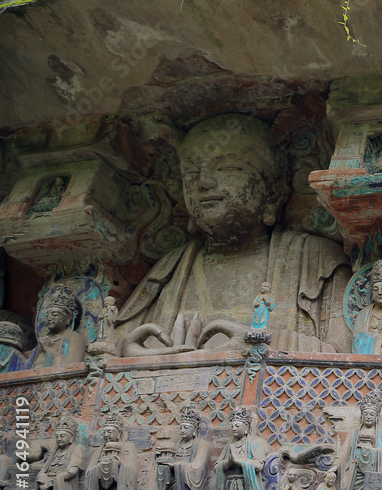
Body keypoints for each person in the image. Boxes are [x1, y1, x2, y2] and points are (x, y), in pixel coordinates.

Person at [116, 114, 351, 356]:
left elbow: (347, 356)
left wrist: (257, 342)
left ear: (273, 187)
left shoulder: (316, 261)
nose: (204, 182)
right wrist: (127, 348)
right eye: (191, 173)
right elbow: (109, 349)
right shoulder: (167, 270)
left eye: (227, 167)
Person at [150, 405, 212, 490]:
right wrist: (163, 466)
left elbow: (197, 467)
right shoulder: (175, 445)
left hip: (187, 487)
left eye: (186, 427)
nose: (182, 430)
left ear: (194, 429)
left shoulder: (202, 445)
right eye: (181, 427)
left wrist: (177, 467)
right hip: (172, 486)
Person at [212, 407, 269, 490]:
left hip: (246, 486)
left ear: (247, 426)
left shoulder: (255, 442)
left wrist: (240, 461)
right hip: (229, 487)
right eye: (232, 426)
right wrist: (227, 463)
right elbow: (216, 467)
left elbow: (259, 465)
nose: (234, 428)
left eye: (237, 425)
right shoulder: (230, 445)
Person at [81, 413, 138, 490]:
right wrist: (101, 467)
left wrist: (118, 465)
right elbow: (89, 472)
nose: (106, 435)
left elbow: (132, 471)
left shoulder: (128, 447)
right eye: (104, 432)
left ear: (119, 433)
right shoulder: (99, 450)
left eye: (110, 431)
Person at [34, 415, 86, 490]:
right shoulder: (54, 453)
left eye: (62, 436)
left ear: (71, 437)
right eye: (56, 436)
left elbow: (72, 472)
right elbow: (43, 471)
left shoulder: (78, 449)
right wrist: (42, 482)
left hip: (65, 489)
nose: (59, 439)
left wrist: (49, 482)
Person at [35, 284, 87, 368]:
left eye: (55, 314)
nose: (49, 318)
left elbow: (71, 367)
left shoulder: (74, 338)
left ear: (68, 317)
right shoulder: (44, 339)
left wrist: (49, 349)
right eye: (47, 315)